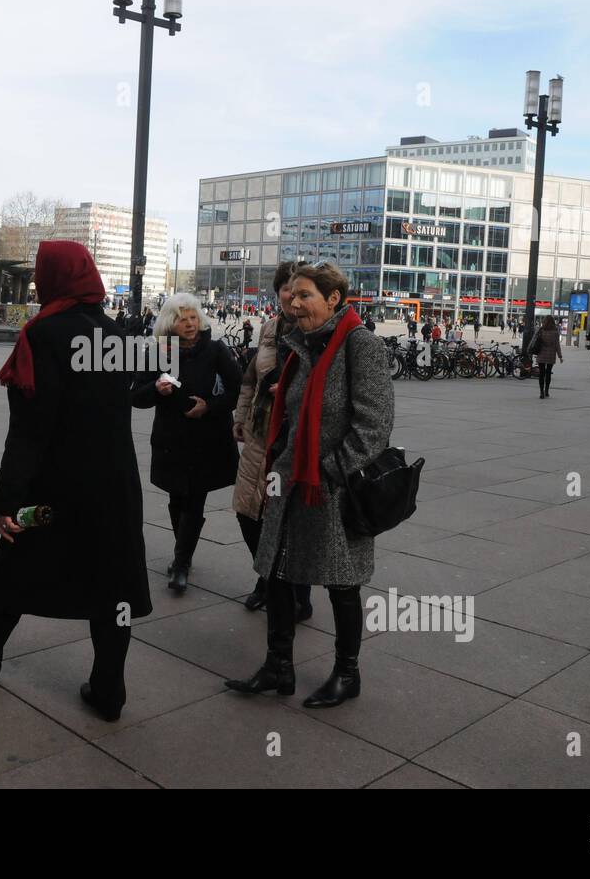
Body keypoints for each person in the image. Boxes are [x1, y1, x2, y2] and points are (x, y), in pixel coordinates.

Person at [0, 240, 150, 723]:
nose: (35, 280)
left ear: (53, 277)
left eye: (41, 272)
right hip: (114, 482)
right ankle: (109, 689)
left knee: (15, 567)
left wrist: (7, 497)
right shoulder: (114, 333)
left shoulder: (44, 334)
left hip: (57, 482)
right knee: (110, 582)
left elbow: (31, 431)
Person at [226, 262, 393, 708]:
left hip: (331, 487)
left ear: (333, 298)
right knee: (277, 571)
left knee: (343, 583)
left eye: (304, 296)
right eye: (291, 296)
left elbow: (374, 426)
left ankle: (347, 672)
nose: (293, 303)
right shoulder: (301, 346)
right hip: (289, 479)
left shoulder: (360, 345)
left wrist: (331, 471)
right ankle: (278, 665)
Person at [131, 293, 241, 593]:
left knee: (194, 498)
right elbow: (136, 395)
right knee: (176, 498)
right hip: (171, 438)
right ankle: (184, 551)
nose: (190, 323)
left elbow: (237, 390)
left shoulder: (216, 349)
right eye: (182, 318)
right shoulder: (158, 351)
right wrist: (156, 388)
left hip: (208, 438)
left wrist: (211, 406)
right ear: (170, 322)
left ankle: (181, 563)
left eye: (193, 317)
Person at [235, 261, 312, 620]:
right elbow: (250, 377)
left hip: (294, 436)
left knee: (288, 516)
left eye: (300, 291)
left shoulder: (316, 331)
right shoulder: (268, 329)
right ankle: (266, 577)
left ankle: (297, 591)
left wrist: (293, 392)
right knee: (248, 513)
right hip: (260, 430)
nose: (292, 297)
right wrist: (240, 416)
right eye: (286, 289)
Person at [529, 315, 563, 399]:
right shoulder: (555, 332)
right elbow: (557, 345)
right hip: (551, 354)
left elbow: (534, 340)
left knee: (541, 373)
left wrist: (530, 349)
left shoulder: (541, 330)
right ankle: (547, 391)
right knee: (548, 373)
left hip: (541, 353)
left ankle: (541, 392)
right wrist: (560, 356)